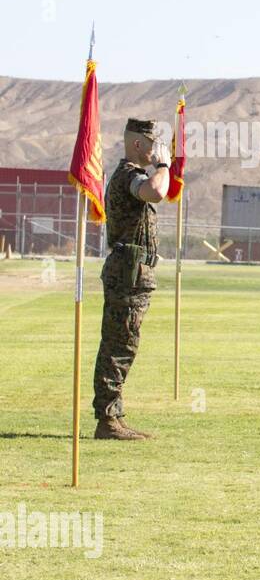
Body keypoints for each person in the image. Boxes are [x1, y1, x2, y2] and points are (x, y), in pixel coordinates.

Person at [93, 118, 171, 440]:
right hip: (128, 273)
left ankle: (114, 415)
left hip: (132, 273)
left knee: (124, 342)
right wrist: (163, 165)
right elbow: (156, 192)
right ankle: (108, 421)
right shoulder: (129, 175)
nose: (157, 151)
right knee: (119, 344)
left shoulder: (131, 174)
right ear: (138, 144)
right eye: (153, 145)